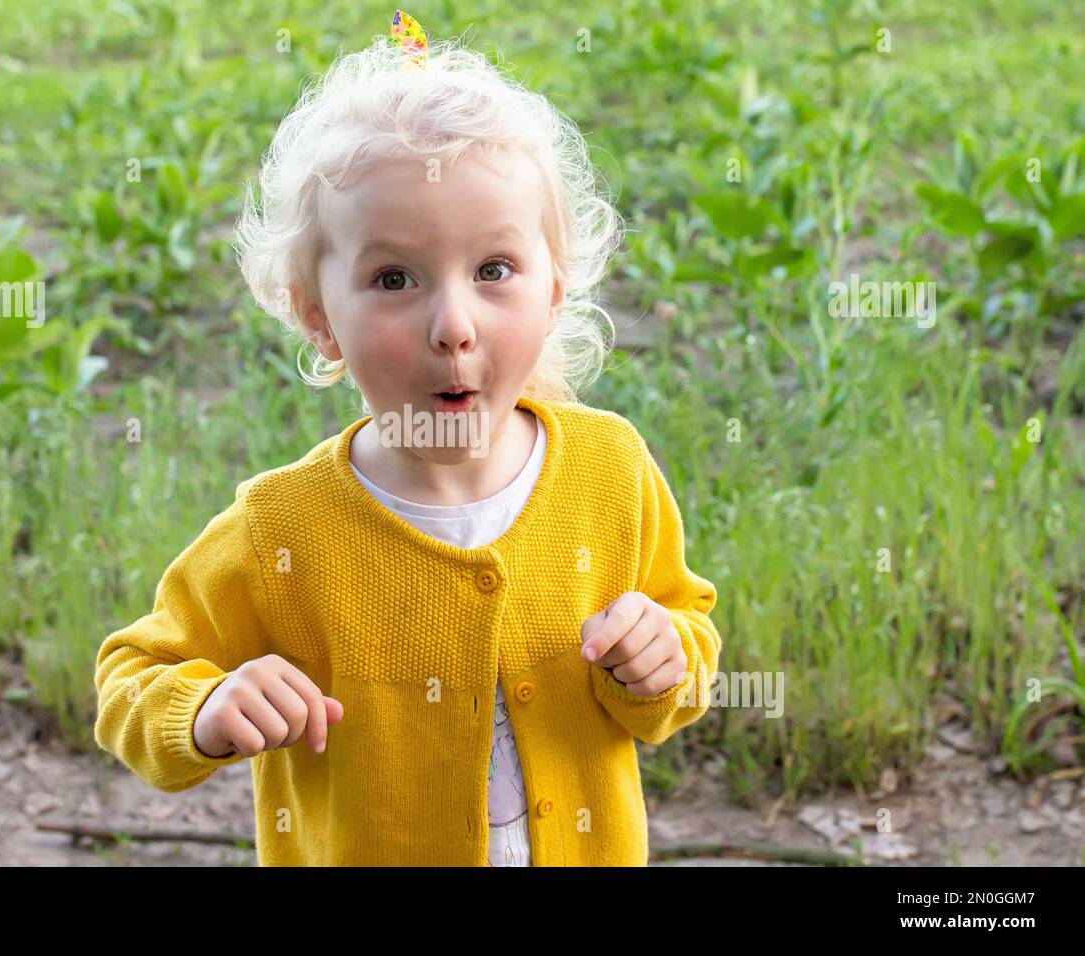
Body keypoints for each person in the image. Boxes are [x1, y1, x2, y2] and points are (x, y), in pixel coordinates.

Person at [93, 11, 721, 866]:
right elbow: (131, 676)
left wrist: (663, 659)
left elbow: (685, 635)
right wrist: (204, 712)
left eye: (494, 270)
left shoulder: (609, 469)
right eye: (394, 278)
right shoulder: (283, 529)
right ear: (318, 317)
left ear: (554, 289)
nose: (453, 324)